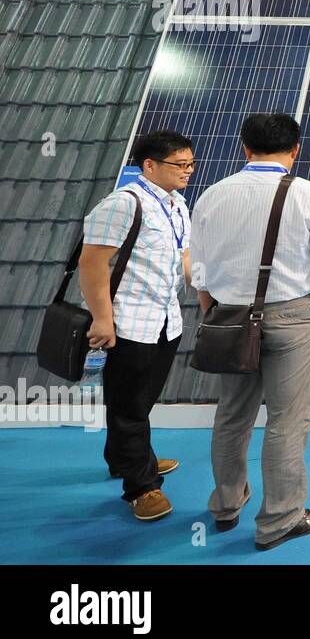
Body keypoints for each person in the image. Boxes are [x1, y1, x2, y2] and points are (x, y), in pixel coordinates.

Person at [189, 113, 310, 550]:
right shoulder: (308, 194)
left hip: (229, 315)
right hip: (295, 315)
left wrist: (217, 313)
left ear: (244, 148)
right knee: (287, 419)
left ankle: (224, 506)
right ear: (295, 150)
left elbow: (199, 275)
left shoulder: (211, 196)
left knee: (232, 415)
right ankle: (280, 520)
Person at [81, 129, 194, 520]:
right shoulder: (123, 204)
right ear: (149, 165)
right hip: (129, 323)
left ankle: (127, 457)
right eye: (180, 164)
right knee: (129, 406)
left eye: (191, 164)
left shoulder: (178, 205)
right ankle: (141, 487)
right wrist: (102, 319)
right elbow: (92, 262)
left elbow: (183, 259)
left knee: (141, 401)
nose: (188, 171)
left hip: (166, 321)